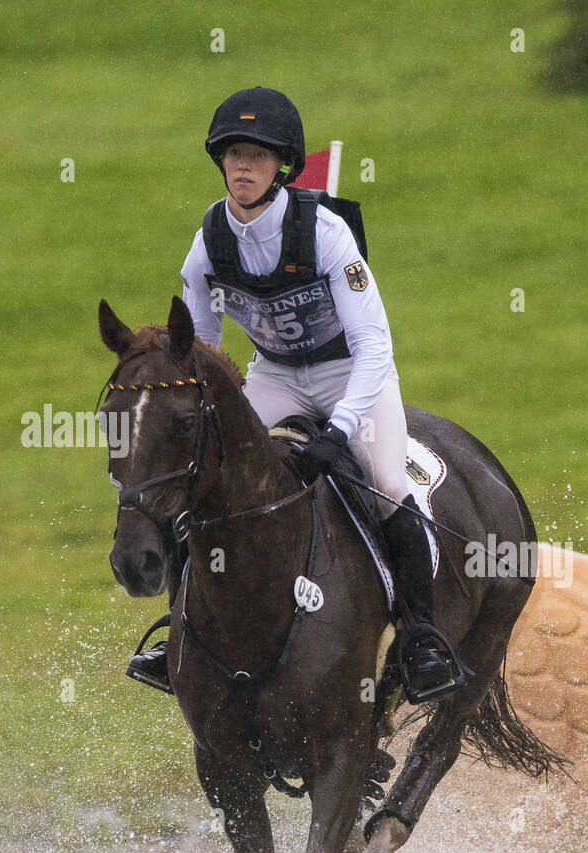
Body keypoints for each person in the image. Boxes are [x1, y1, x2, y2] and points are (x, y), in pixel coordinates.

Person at [126, 85, 463, 704]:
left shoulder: (327, 233)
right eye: (233, 155)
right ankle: (175, 631)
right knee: (199, 478)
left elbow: (375, 345)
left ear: (282, 164)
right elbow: (200, 353)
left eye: (257, 156)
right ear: (220, 161)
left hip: (350, 373)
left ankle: (420, 639)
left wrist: (338, 433)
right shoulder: (208, 245)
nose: (243, 167)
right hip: (274, 376)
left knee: (389, 483)